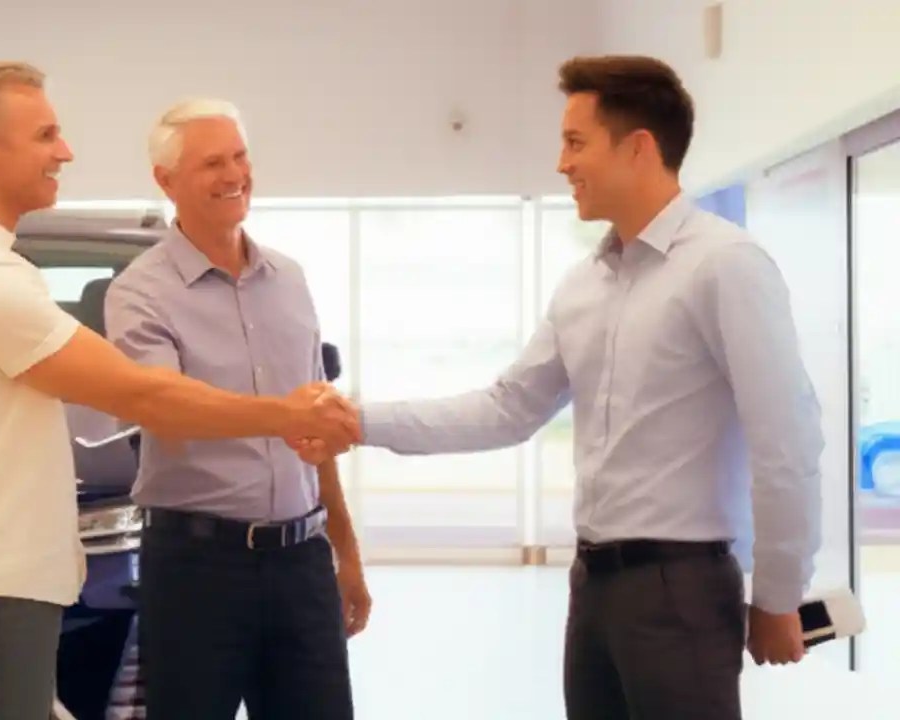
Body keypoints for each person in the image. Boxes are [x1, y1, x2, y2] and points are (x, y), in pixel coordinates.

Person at [302, 55, 825, 720]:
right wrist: (360, 421)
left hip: (683, 589)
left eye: (575, 143)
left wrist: (780, 593)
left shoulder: (725, 266)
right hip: (594, 589)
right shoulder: (585, 284)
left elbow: (788, 437)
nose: (561, 163)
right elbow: (508, 408)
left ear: (639, 148)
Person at [0, 63, 360, 720]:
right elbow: (143, 398)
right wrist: (284, 414)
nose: (66, 151)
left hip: (1, 581)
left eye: (239, 156)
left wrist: (341, 536)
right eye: (46, 134)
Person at [103, 98, 368, 720]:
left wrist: (346, 551)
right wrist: (283, 414)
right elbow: (168, 410)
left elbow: (317, 431)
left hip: (302, 561)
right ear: (166, 181)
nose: (234, 175)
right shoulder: (140, 293)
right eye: (212, 163)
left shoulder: (291, 280)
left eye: (240, 156)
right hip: (198, 570)